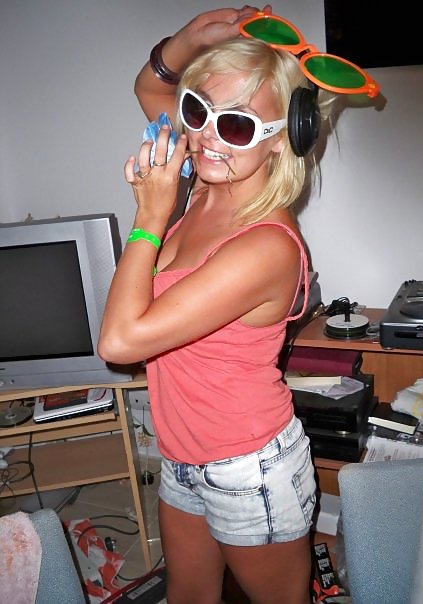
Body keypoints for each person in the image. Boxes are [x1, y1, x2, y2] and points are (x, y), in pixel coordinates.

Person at [98, 6, 341, 604]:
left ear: (281, 138)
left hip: (248, 466)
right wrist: (190, 39)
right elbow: (151, 87)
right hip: (182, 454)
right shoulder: (209, 181)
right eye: (197, 110)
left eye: (236, 124)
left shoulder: (266, 246)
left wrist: (150, 218)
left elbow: (120, 344)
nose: (207, 136)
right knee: (188, 594)